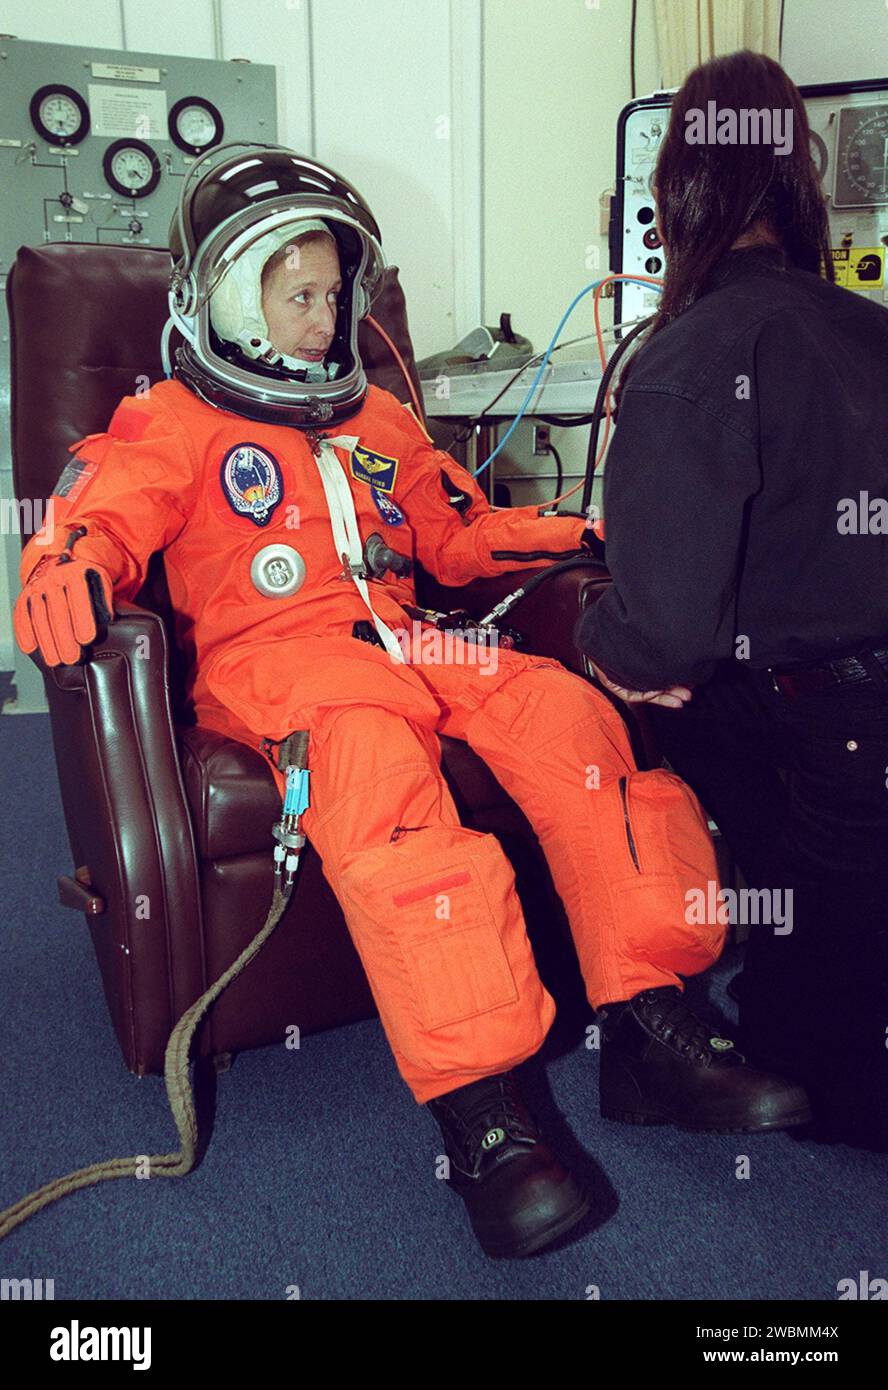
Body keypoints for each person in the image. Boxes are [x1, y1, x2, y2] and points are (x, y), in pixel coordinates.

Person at [13, 145, 810, 1261]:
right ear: (228, 299)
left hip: (414, 643)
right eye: (299, 296)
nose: (323, 319)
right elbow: (98, 512)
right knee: (376, 769)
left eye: (333, 296)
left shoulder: (381, 420)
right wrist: (66, 562)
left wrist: (580, 531)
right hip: (280, 665)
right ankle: (483, 1114)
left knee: (570, 718)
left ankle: (650, 1026)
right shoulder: (172, 425)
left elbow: (456, 534)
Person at [574, 51, 888, 1151]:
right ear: (802, 185)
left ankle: (684, 987)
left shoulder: (690, 357)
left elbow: (658, 636)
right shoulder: (867, 329)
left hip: (839, 738)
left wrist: (600, 635)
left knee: (814, 1076)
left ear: (676, 194)